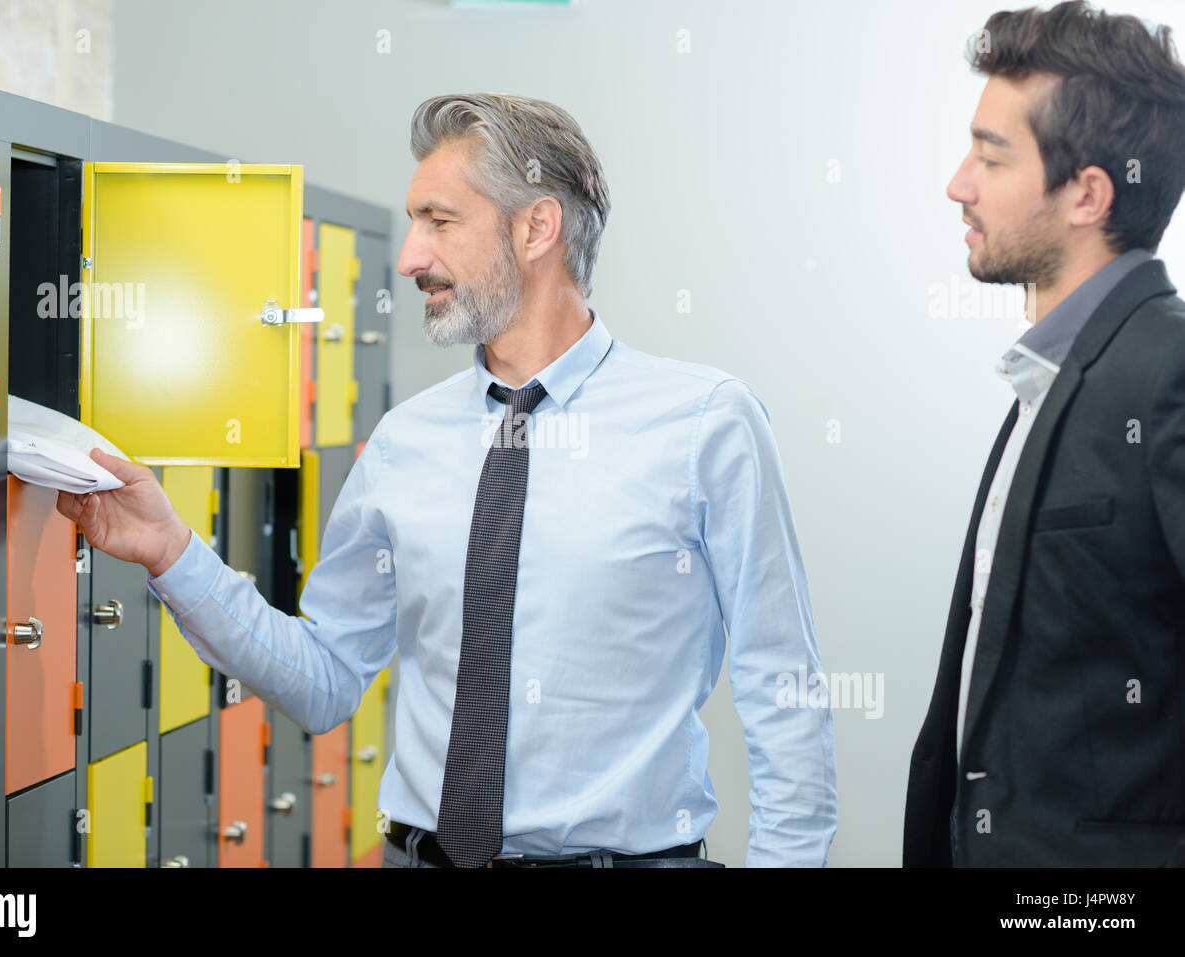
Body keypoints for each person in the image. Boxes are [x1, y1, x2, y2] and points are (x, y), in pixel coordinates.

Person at [60, 93, 837, 868]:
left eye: (439, 220)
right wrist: (172, 552)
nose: (409, 257)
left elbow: (784, 696)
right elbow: (326, 677)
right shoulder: (405, 441)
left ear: (536, 227)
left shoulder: (705, 423)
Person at [905, 1, 1185, 866]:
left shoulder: (1167, 372)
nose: (959, 182)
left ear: (1088, 194)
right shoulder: (1048, 382)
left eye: (991, 155)